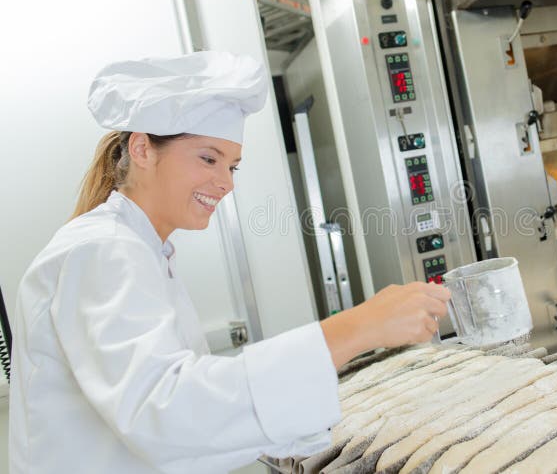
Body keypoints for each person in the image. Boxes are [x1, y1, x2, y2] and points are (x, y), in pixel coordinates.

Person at [9, 51, 451, 474]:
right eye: (208, 158)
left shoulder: (139, 249)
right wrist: (358, 327)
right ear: (142, 149)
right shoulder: (104, 249)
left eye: (233, 167)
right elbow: (164, 414)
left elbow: (183, 406)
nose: (224, 183)